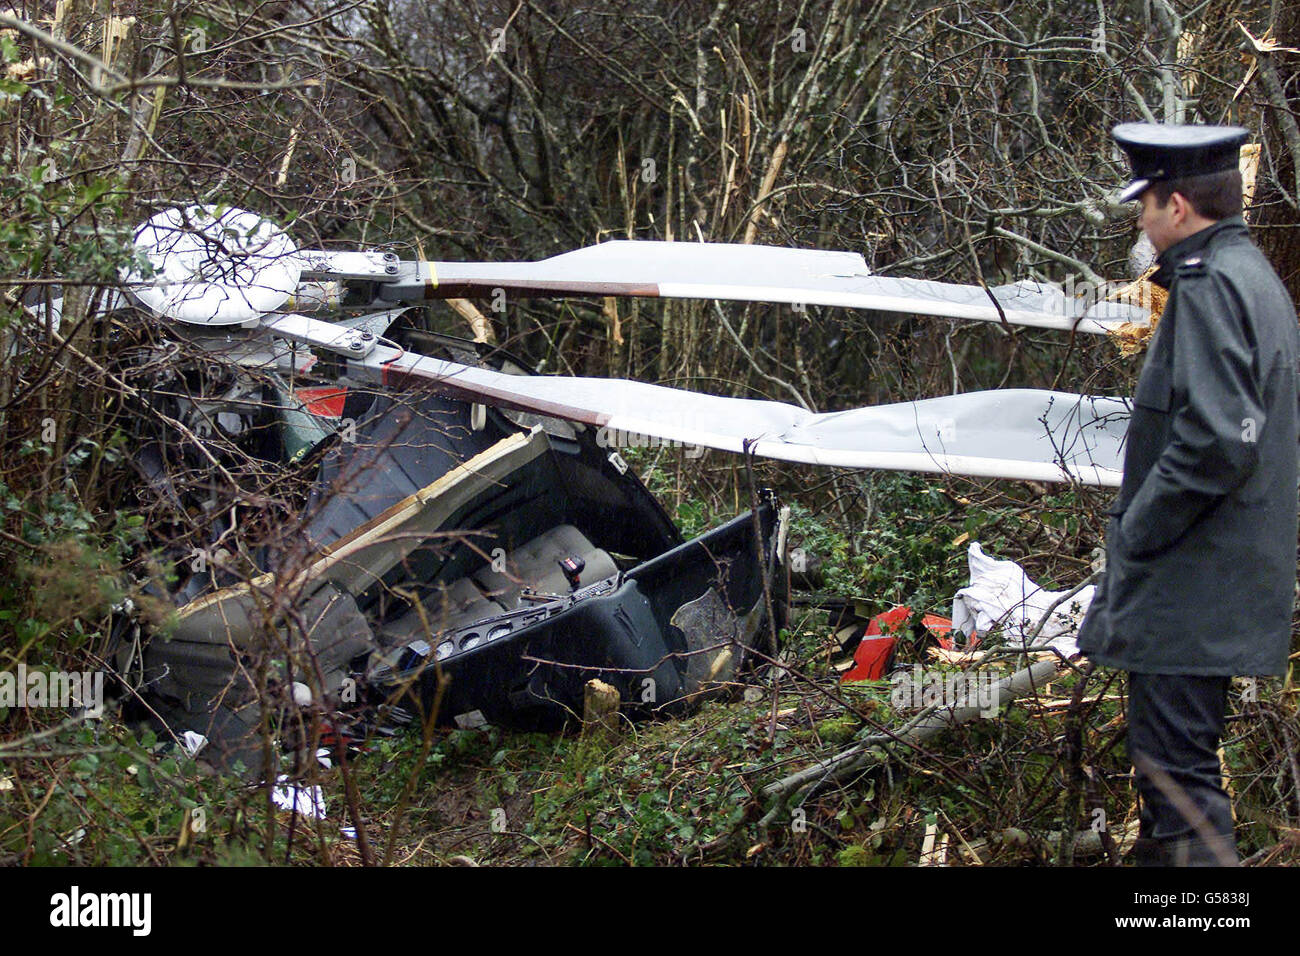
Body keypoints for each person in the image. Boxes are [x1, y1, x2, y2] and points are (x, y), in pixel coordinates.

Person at [1076, 122, 1300, 866]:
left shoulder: (1210, 287)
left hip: (1188, 587)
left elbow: (1217, 440)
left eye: (1144, 204)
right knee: (1173, 794)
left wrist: (1135, 533)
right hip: (1208, 588)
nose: (1140, 221)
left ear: (1176, 206)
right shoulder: (1248, 275)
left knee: (1180, 799)